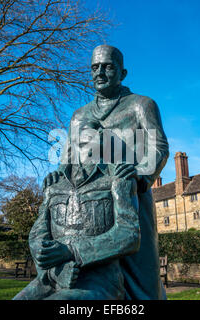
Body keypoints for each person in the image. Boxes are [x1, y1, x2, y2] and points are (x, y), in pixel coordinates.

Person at [39, 45, 169, 300]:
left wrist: (141, 175)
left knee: (144, 282)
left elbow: (158, 146)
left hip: (131, 198)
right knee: (87, 281)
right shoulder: (79, 115)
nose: (100, 72)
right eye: (95, 67)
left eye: (107, 66)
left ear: (122, 72)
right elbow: (67, 158)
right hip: (89, 207)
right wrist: (58, 174)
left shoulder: (140, 105)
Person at [13, 120, 140, 300]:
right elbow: (37, 236)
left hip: (99, 280)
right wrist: (53, 273)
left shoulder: (118, 179)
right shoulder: (54, 185)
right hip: (54, 277)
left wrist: (72, 251)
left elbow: (129, 235)